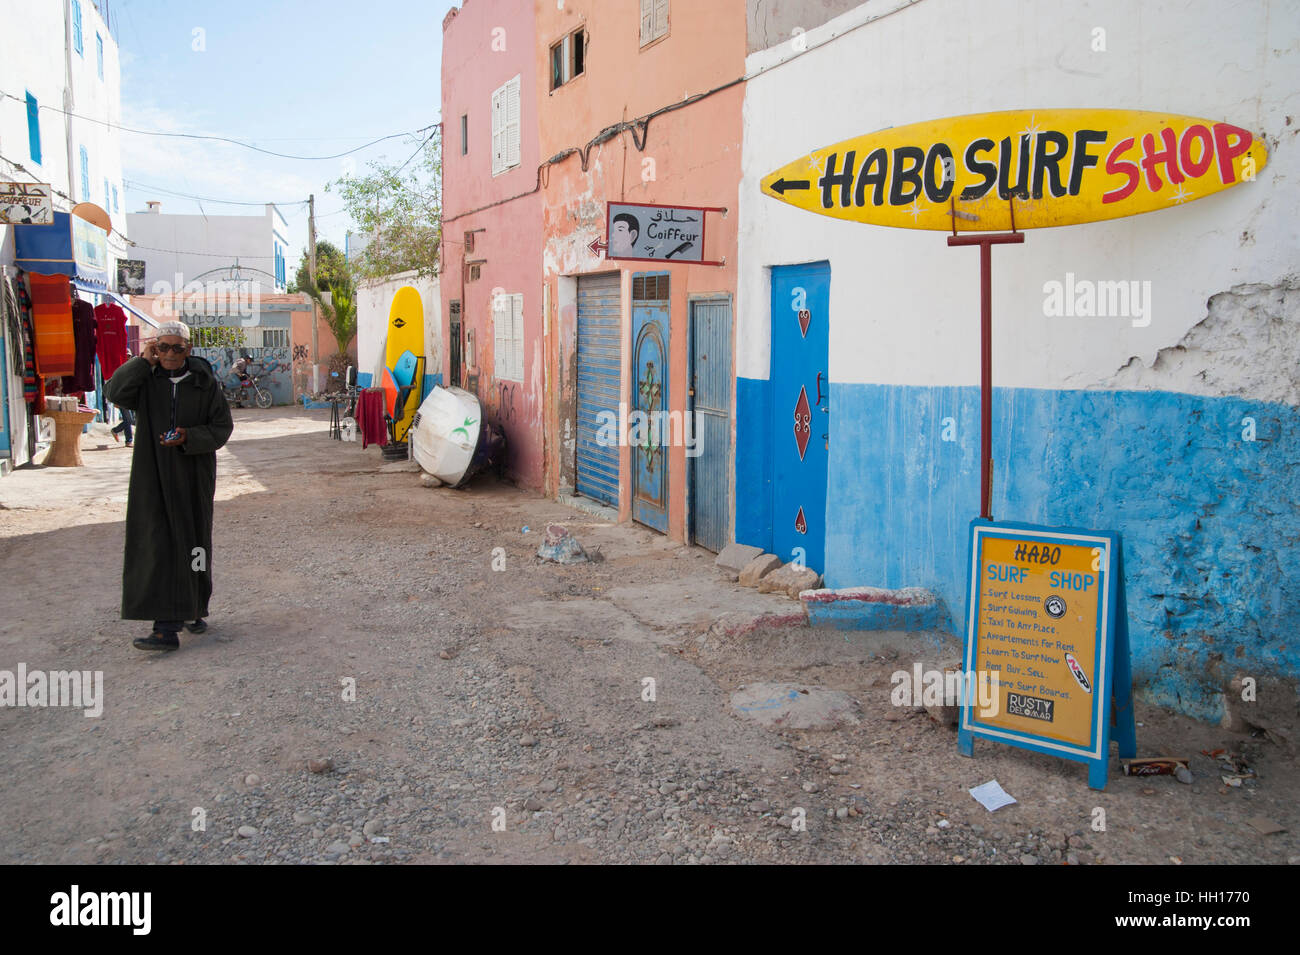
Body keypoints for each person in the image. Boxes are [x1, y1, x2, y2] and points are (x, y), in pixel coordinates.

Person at [103, 320, 233, 652]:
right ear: (155, 348)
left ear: (188, 350)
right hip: (153, 472)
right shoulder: (147, 380)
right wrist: (142, 362)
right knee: (158, 543)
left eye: (177, 348)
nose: (170, 354)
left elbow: (221, 427)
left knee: (196, 546)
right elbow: (115, 392)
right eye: (163, 347)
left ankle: (195, 606)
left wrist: (190, 436)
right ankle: (166, 626)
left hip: (193, 472)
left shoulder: (204, 383)